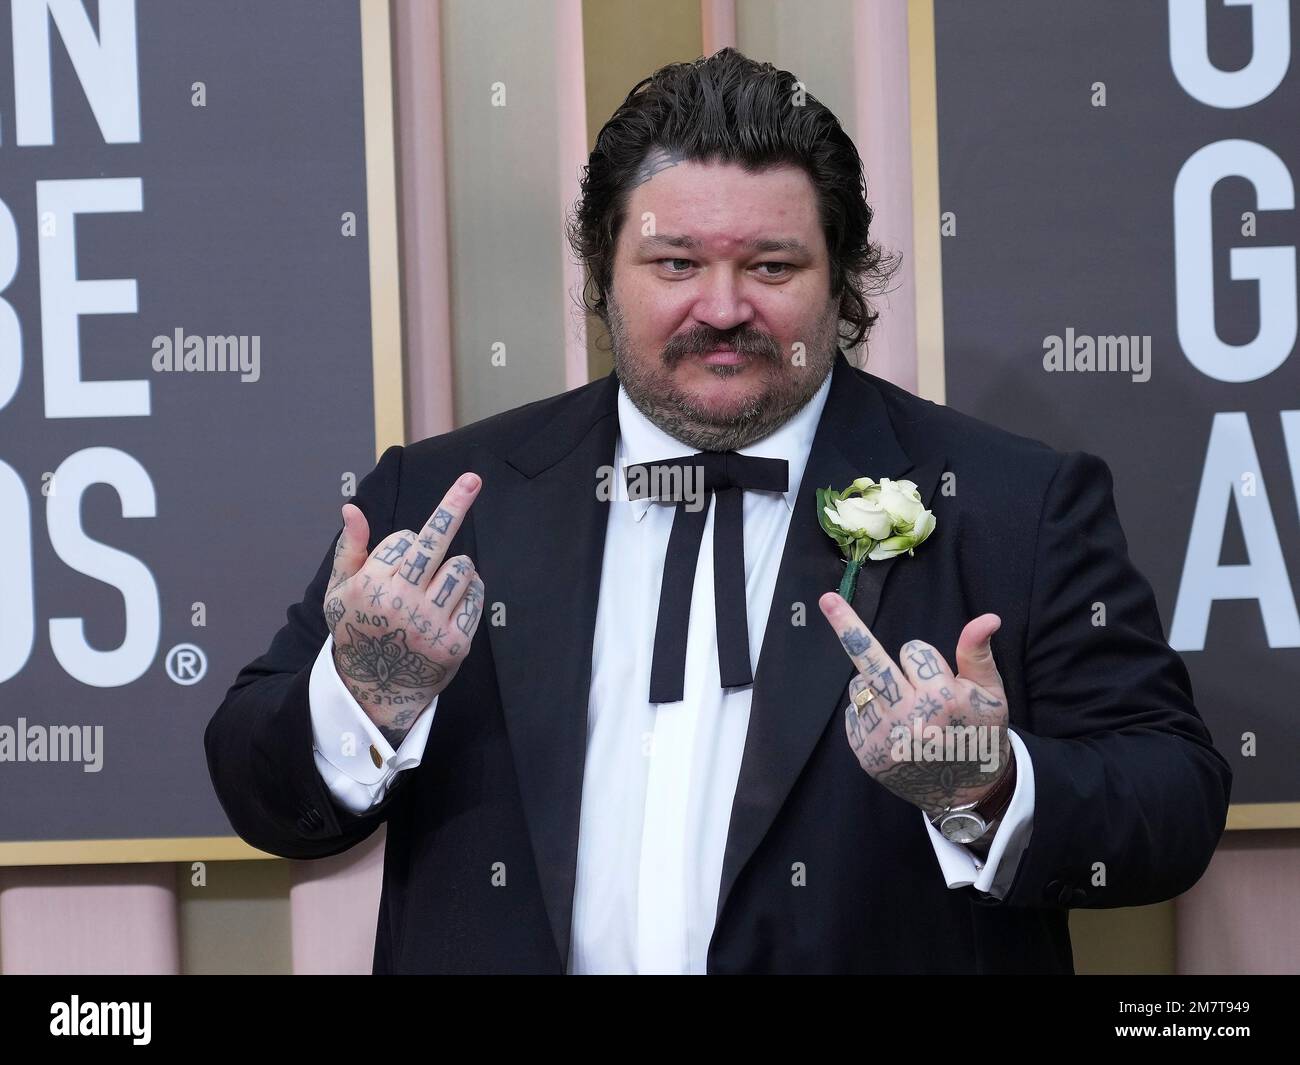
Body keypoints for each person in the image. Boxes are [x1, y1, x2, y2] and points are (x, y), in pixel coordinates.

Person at [204, 48, 1231, 974]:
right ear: (604, 277)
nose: (725, 307)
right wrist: (364, 694)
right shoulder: (442, 499)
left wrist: (988, 784)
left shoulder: (1013, 503)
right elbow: (267, 798)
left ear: (843, 284)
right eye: (676, 263)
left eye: (772, 266)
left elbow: (1171, 804)